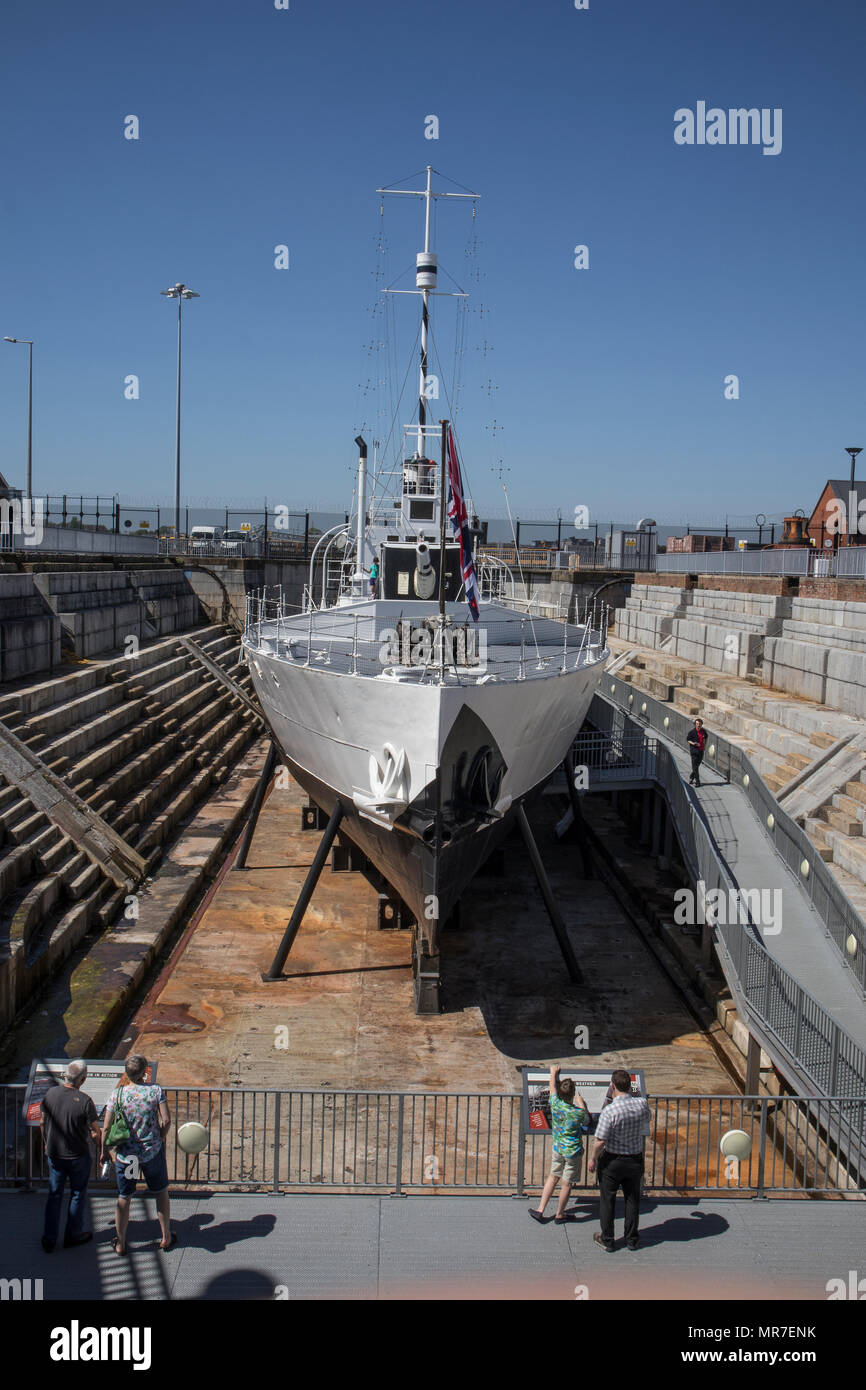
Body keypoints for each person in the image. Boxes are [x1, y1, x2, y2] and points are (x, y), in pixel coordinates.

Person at [101, 1054, 174, 1256]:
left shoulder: (118, 1095)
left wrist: (104, 1151)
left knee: (125, 1197)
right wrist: (161, 1136)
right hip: (151, 1152)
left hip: (128, 1157)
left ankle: (121, 1242)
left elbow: (106, 1128)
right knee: (160, 1192)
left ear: (127, 1072)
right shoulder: (155, 1091)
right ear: (145, 1072)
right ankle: (166, 1236)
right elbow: (166, 1120)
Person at [40, 1060, 101, 1252]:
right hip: (77, 1155)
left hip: (55, 1154)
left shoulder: (50, 1094)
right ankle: (73, 1234)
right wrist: (100, 1145)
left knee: (54, 1194)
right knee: (77, 1194)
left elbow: (42, 1121)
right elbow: (95, 1131)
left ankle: (49, 1238)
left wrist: (46, 1142)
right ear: (82, 1079)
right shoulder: (85, 1101)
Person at [588, 1068, 652, 1251]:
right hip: (634, 1159)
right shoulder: (641, 1104)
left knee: (607, 1201)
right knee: (632, 1200)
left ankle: (607, 1239)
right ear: (631, 1086)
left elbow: (600, 1141)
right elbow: (648, 1118)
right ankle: (632, 1239)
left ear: (612, 1086)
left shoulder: (610, 1111)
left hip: (613, 1161)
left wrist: (593, 1159)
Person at [528, 1065, 590, 1224]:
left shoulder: (555, 1103)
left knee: (553, 1177)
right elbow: (587, 1120)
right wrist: (581, 1103)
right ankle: (560, 1213)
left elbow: (552, 1088)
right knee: (567, 1183)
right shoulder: (578, 1112)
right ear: (572, 1094)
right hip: (573, 1151)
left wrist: (553, 1073)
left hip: (558, 1148)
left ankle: (541, 1209)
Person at [687, 717, 707, 787]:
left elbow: (706, 737)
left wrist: (704, 745)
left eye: (700, 724)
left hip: (701, 751)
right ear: (695, 724)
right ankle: (697, 782)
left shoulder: (703, 731)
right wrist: (693, 743)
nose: (698, 725)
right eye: (697, 724)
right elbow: (688, 739)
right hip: (694, 751)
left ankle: (691, 777)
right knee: (695, 767)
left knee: (696, 766)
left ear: (701, 725)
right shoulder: (692, 732)